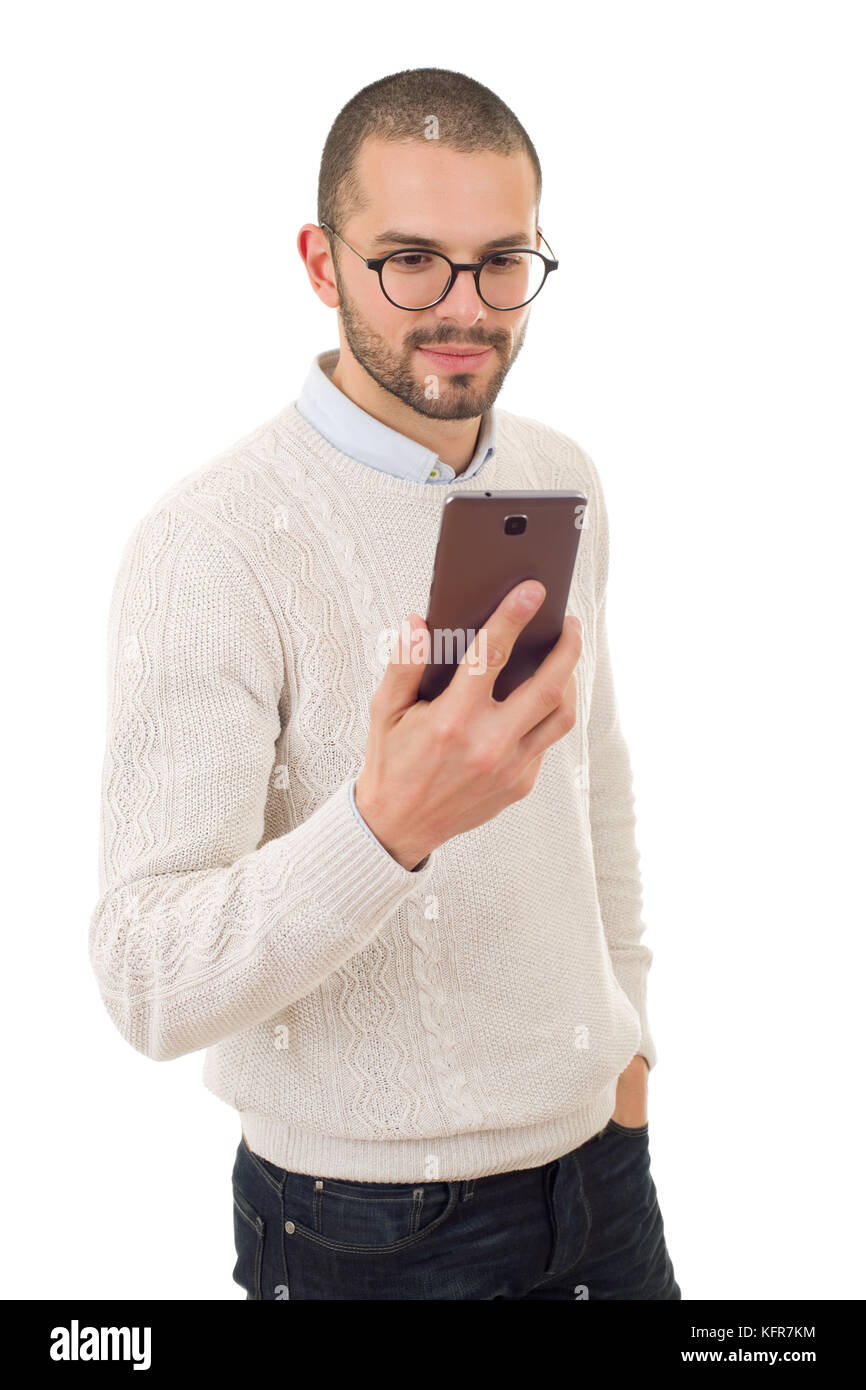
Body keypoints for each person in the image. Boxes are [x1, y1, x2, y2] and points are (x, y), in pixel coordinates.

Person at [89, 65, 680, 1301]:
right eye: (408, 259)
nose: (460, 307)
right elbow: (144, 976)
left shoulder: (558, 472)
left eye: (499, 260)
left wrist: (627, 1049)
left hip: (602, 1181)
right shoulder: (213, 542)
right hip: (368, 1234)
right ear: (322, 263)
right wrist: (384, 826)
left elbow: (596, 789)